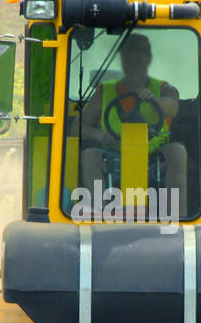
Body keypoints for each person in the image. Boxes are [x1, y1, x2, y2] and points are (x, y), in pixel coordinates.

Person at [78, 33, 187, 214]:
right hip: (112, 152)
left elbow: (172, 107)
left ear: (149, 58)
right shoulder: (104, 91)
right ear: (122, 57)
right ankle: (99, 215)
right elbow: (77, 127)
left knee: (178, 152)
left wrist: (154, 100)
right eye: (130, 52)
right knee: (89, 155)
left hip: (155, 155)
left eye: (140, 52)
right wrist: (99, 135)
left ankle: (177, 216)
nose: (135, 57)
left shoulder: (164, 89)